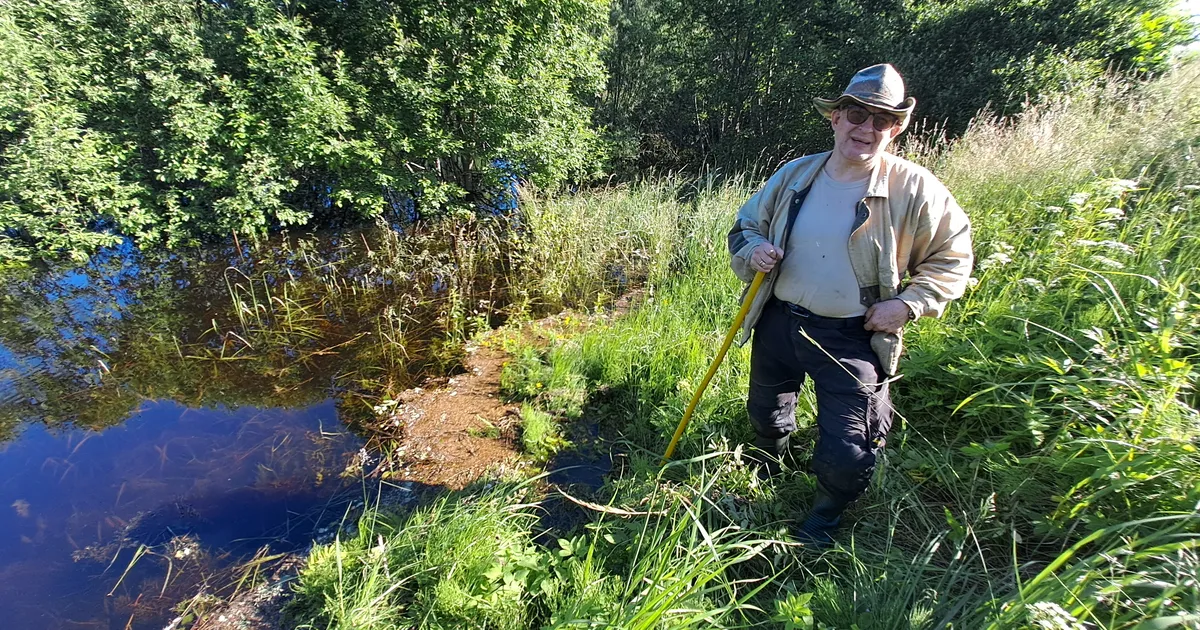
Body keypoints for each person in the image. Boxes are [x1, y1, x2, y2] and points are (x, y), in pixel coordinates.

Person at [726, 63, 973, 546]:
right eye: (857, 114)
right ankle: (772, 459)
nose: (867, 128)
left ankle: (826, 514)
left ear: (896, 127)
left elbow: (954, 258)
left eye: (881, 120)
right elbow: (744, 226)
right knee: (765, 412)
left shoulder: (916, 189)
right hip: (780, 319)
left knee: (850, 446)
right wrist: (753, 250)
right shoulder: (795, 174)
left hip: (852, 335)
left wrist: (907, 305)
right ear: (835, 117)